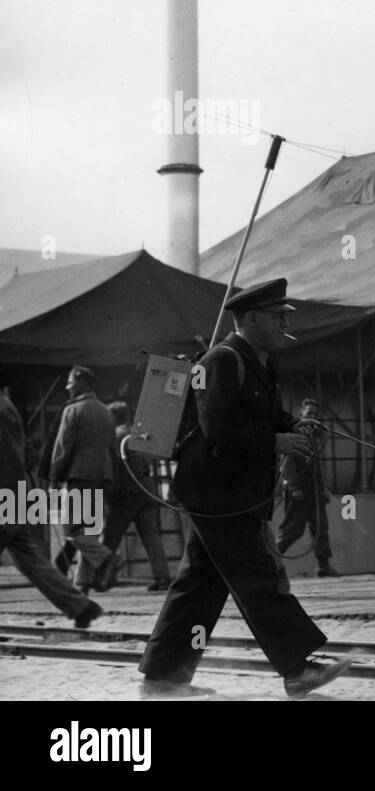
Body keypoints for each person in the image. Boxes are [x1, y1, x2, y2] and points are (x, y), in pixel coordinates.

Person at [137, 278, 351, 698]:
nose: (284, 322)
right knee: (256, 576)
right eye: (277, 316)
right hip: (216, 494)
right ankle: (296, 669)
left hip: (233, 494)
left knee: (200, 585)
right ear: (250, 318)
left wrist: (294, 426)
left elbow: (266, 414)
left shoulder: (261, 362)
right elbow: (217, 428)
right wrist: (276, 441)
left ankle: (163, 678)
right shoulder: (222, 360)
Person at [0, 384, 102, 628]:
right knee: (28, 558)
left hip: (4, 492)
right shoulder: (7, 405)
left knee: (28, 557)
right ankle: (80, 606)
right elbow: (26, 454)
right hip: (16, 491)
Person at [49, 366, 119, 595]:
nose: (68, 386)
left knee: (73, 530)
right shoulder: (106, 411)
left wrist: (53, 477)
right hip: (101, 477)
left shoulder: (73, 410)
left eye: (70, 382)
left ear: (81, 382)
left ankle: (108, 558)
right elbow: (111, 447)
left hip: (79, 477)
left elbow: (63, 447)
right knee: (89, 531)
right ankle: (83, 583)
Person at [99, 401, 171, 591]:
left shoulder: (115, 437)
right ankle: (162, 577)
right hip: (145, 493)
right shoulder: (137, 435)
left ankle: (103, 579)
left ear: (112, 417)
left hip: (125, 496)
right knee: (151, 538)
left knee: (111, 539)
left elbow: (116, 469)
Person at [276, 399, 338, 578]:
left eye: (315, 414)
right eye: (309, 413)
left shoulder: (313, 436)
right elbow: (287, 464)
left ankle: (323, 565)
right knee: (292, 529)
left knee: (320, 528)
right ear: (301, 413)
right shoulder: (295, 432)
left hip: (314, 489)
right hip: (299, 488)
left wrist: (322, 488)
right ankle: (271, 561)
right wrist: (294, 487)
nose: (313, 417)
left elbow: (313, 462)